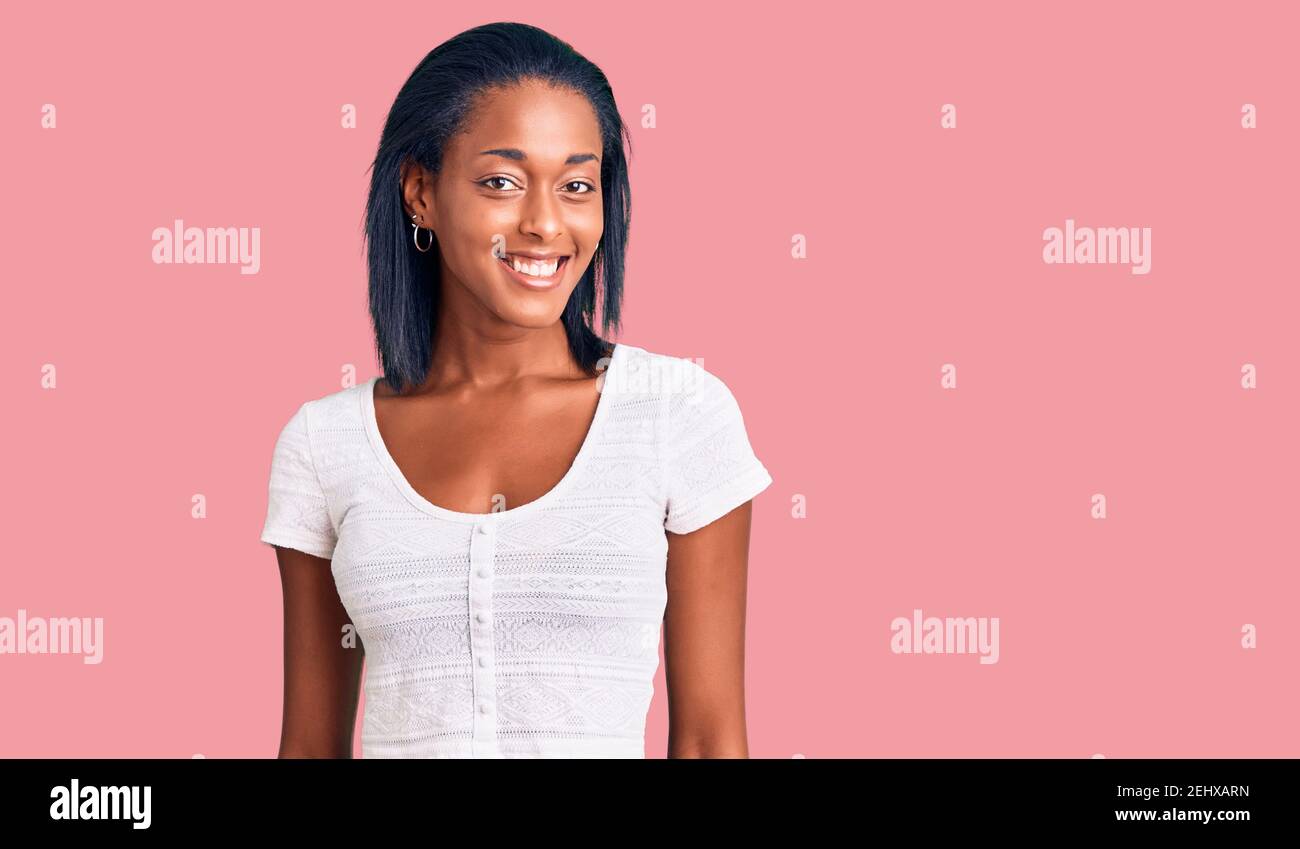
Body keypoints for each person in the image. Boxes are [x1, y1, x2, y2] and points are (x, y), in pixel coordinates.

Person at [260, 21, 772, 759]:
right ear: (420, 193)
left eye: (576, 186)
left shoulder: (679, 414)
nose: (544, 223)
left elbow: (709, 740)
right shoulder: (324, 444)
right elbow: (310, 748)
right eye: (501, 182)